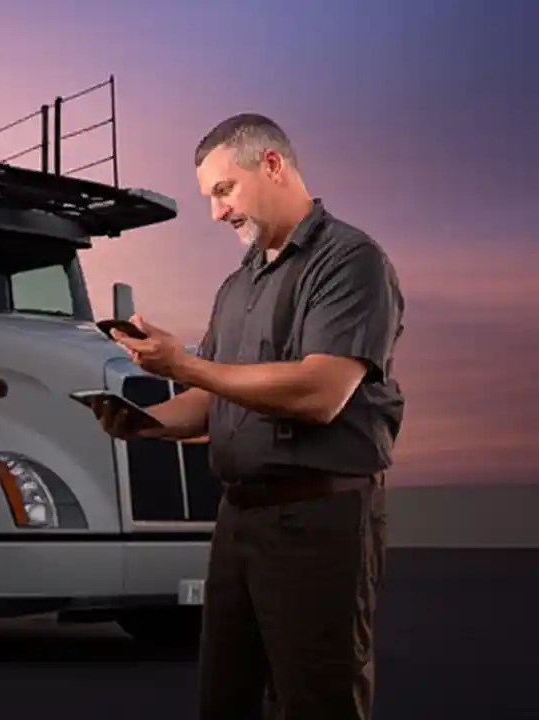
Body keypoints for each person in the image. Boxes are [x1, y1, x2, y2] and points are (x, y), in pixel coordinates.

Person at [91, 113, 404, 720]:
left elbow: (321, 392)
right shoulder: (239, 285)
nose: (216, 213)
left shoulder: (350, 262)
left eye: (223, 190)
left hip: (319, 520)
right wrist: (146, 423)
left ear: (272, 165)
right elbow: (215, 398)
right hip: (238, 524)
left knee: (317, 702)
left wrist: (183, 363)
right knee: (226, 700)